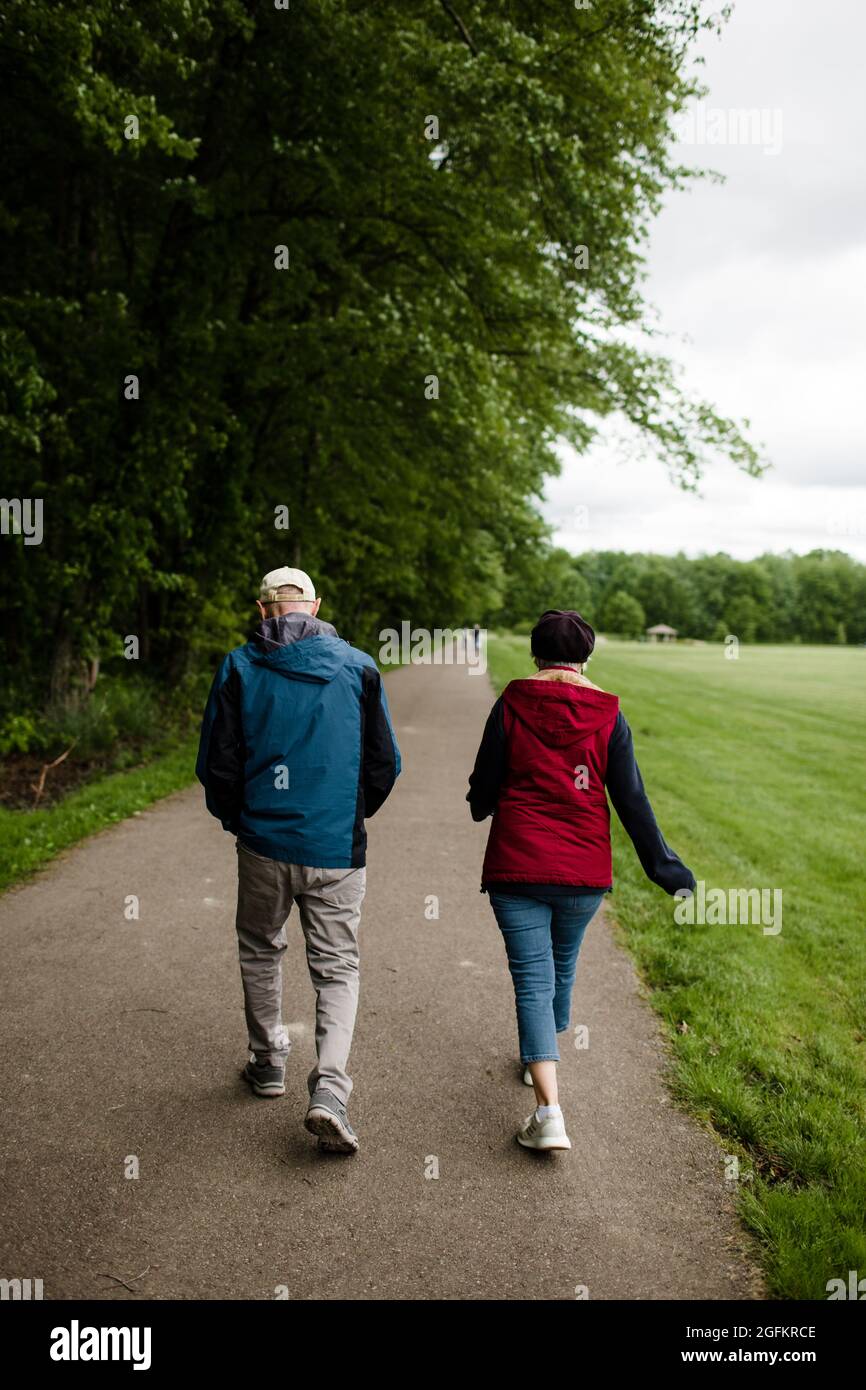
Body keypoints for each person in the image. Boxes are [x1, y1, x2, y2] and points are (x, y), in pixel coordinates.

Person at [467, 609, 695, 1153]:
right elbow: (632, 801)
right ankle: (542, 1060)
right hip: (582, 871)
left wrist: (481, 804)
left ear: (535, 656)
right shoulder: (609, 715)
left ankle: (548, 1108)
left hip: (517, 865)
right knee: (557, 968)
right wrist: (669, 871)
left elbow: (486, 778)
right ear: (586, 658)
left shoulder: (511, 705)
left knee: (532, 980)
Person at [197, 566, 401, 1154]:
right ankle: (330, 1090)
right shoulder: (358, 666)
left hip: (263, 843)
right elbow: (383, 765)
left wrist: (241, 820)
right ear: (316, 606)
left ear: (262, 610)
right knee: (337, 966)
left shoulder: (238, 666)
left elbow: (218, 763)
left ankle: (267, 1063)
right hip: (336, 846)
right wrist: (347, 815)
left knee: (261, 948)